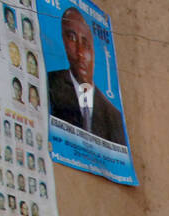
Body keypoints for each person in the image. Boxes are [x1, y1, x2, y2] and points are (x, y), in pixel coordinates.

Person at [48, 6, 127, 144]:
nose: (80, 53)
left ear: (94, 53)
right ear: (63, 41)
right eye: (72, 38)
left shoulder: (114, 118)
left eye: (85, 43)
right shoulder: (49, 84)